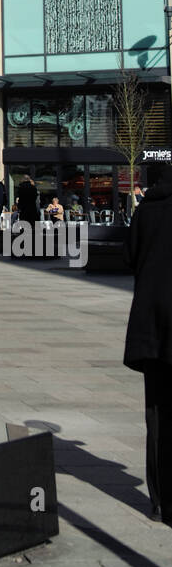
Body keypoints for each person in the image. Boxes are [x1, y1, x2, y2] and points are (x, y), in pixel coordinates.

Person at [123, 165, 172, 524]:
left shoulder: (143, 212)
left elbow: (130, 259)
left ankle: (158, 500)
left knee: (155, 412)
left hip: (149, 324)